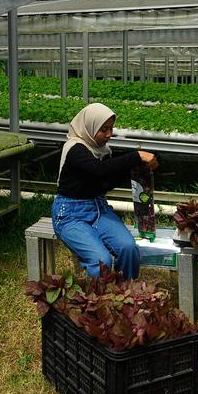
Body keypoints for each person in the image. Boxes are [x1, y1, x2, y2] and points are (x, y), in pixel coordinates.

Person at [53, 103, 158, 279]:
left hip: (99, 209)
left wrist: (140, 168)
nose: (109, 134)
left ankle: (126, 295)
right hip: (70, 215)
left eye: (111, 128)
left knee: (128, 249)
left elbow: (105, 181)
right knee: (101, 260)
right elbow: (98, 170)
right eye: (104, 129)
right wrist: (136, 156)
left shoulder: (102, 151)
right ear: (90, 126)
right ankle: (99, 302)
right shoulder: (74, 149)